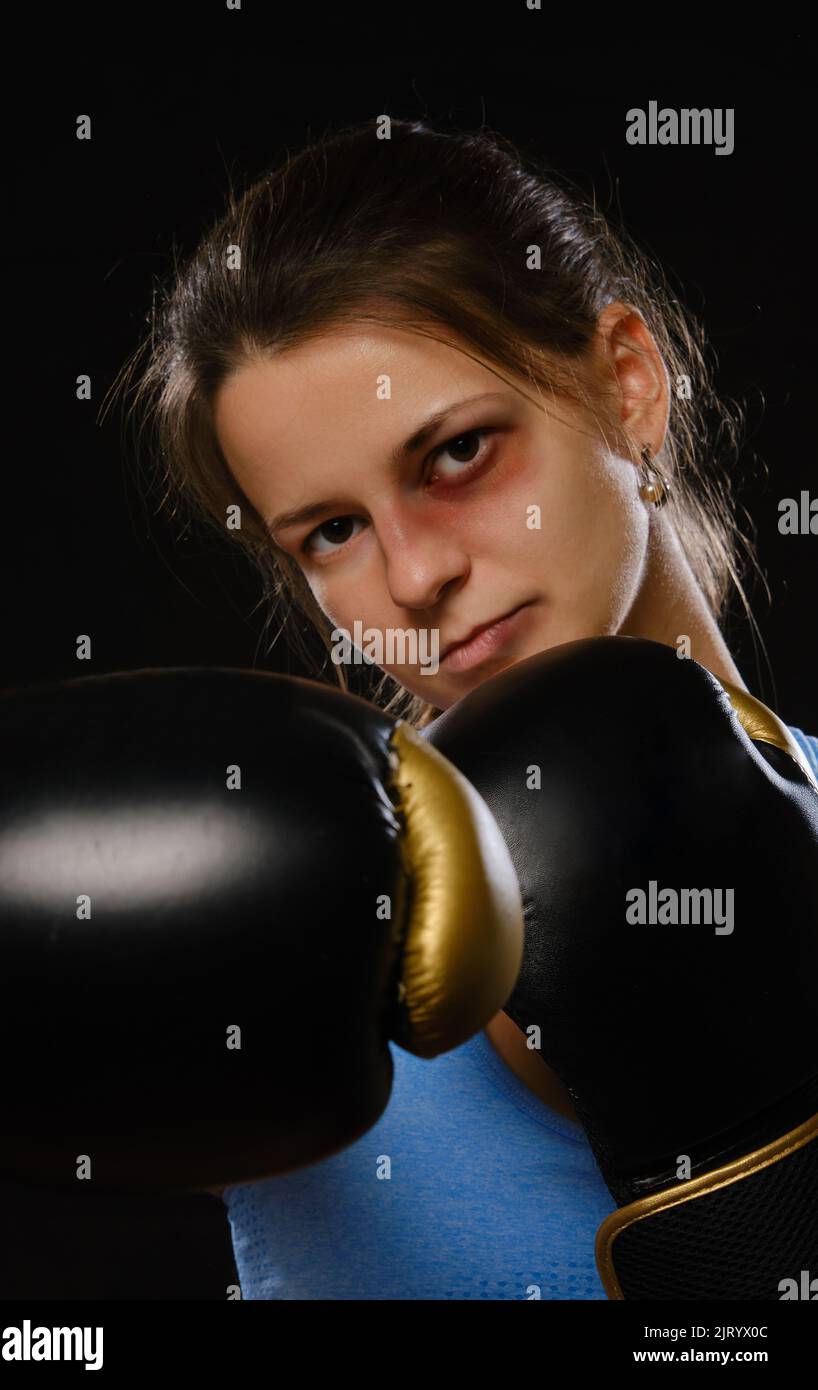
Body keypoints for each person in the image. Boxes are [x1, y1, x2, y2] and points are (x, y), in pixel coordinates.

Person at [114, 118, 818, 1299]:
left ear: (626, 382)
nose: (412, 576)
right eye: (332, 530)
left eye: (453, 455)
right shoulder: (276, 928)